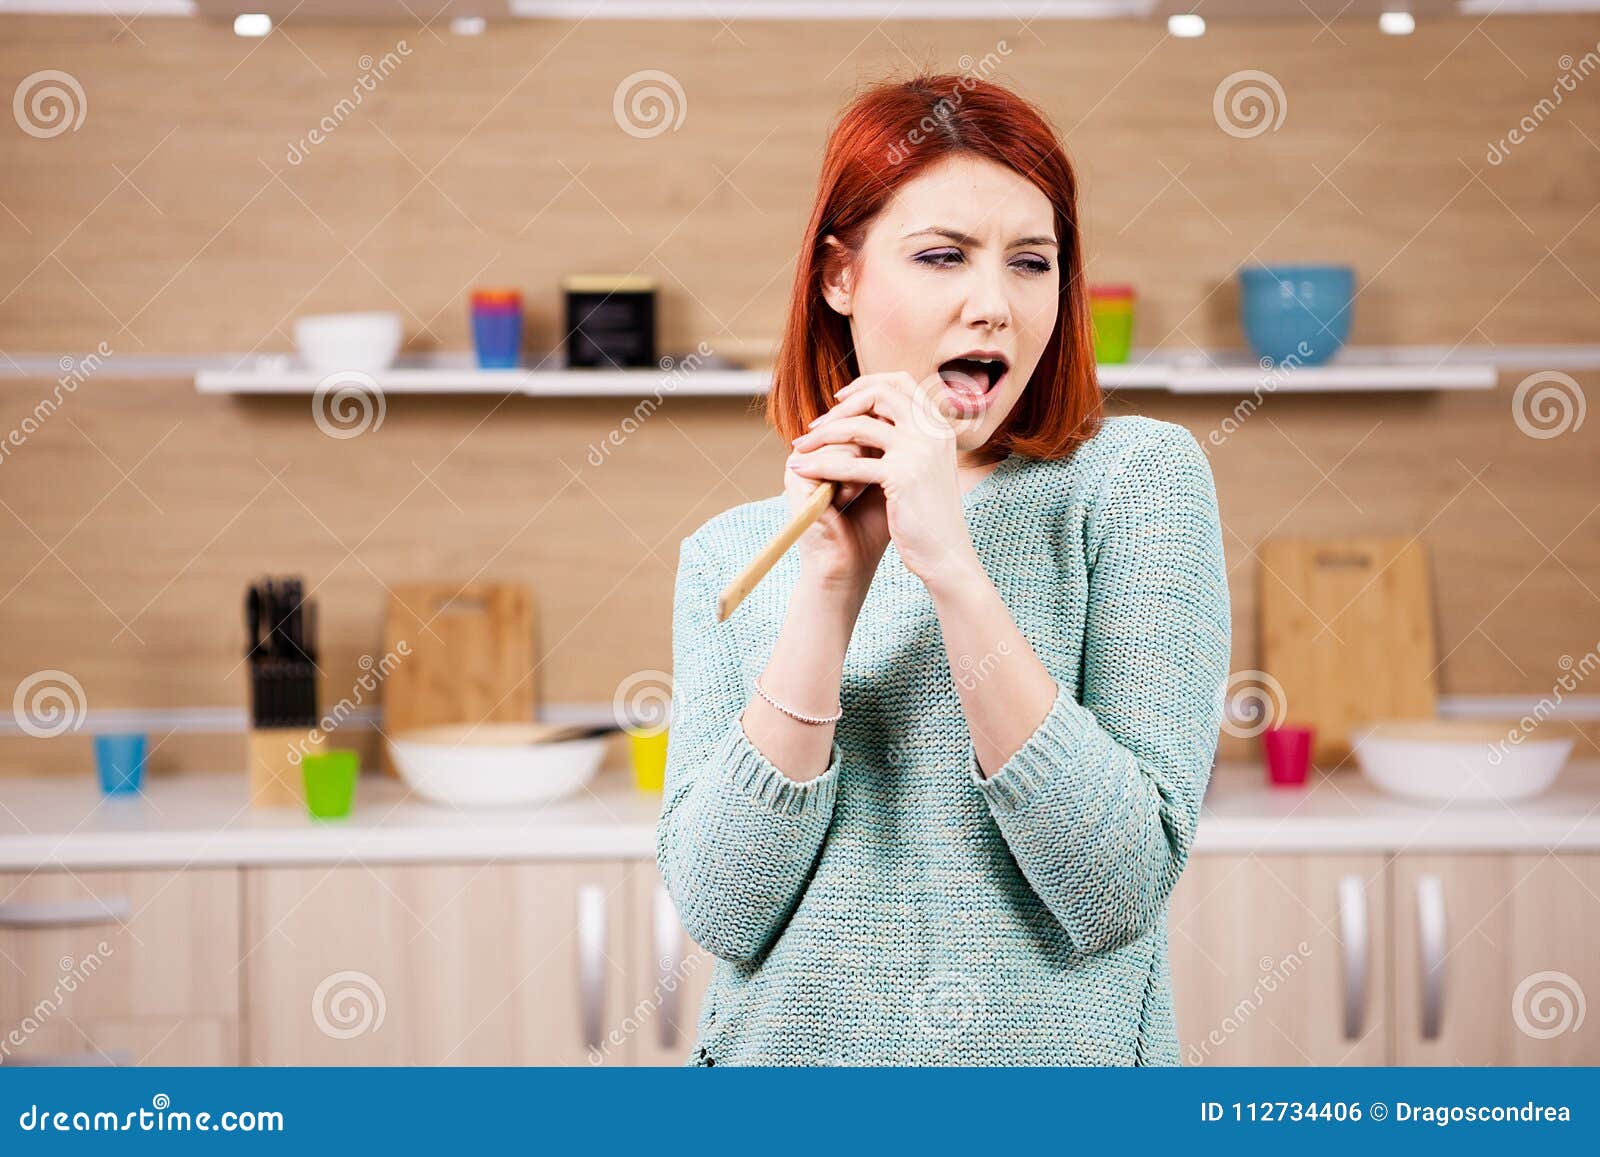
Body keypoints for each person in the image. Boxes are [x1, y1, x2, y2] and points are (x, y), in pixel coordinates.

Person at [654, 73, 1232, 1066]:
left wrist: (950, 567)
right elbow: (721, 909)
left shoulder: (1134, 482)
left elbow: (1119, 886)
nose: (993, 306)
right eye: (940, 256)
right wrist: (830, 592)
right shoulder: (731, 551)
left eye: (1030, 262)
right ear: (838, 276)